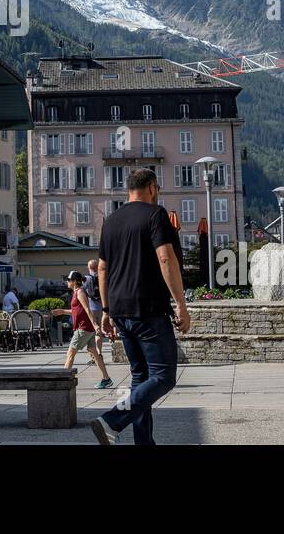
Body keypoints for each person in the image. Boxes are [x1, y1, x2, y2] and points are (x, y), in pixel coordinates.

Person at [92, 168, 190, 446]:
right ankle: (112, 419)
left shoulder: (110, 221)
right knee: (164, 376)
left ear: (128, 190)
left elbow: (102, 269)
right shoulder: (155, 215)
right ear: (152, 187)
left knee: (141, 378)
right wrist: (181, 304)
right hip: (147, 308)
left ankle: (143, 443)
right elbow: (165, 258)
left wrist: (107, 312)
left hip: (120, 311)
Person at [61, 270, 112, 389]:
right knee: (94, 354)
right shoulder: (77, 292)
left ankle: (62, 381)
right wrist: (62, 311)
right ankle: (106, 378)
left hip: (83, 328)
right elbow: (78, 311)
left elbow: (87, 310)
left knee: (70, 353)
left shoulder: (80, 292)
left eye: (68, 280)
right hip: (87, 328)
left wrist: (95, 325)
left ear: (74, 282)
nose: (67, 282)